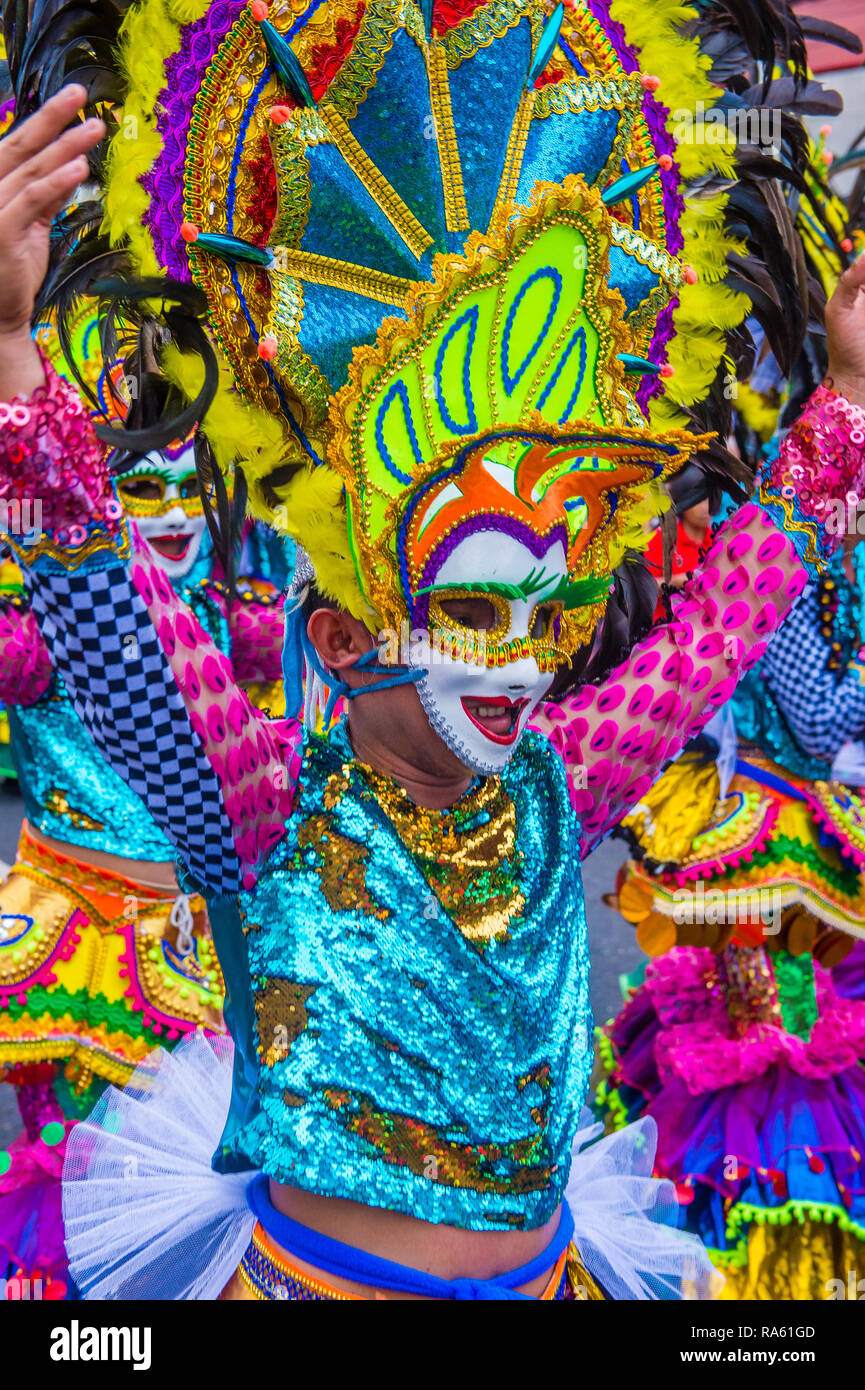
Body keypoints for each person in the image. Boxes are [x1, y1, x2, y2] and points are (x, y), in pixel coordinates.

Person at [1, 0, 863, 1301]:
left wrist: (845, 396)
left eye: (541, 614)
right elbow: (124, 627)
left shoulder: (563, 781)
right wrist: (13, 362)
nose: (521, 664)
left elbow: (730, 614)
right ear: (342, 638)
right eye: (472, 614)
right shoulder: (267, 804)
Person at [0, 307, 287, 1291]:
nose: (169, 513)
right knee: (82, 1206)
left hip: (201, 934)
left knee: (198, 1199)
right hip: (77, 938)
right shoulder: (39, 614)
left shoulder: (230, 614)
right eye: (140, 487)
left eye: (185, 490)